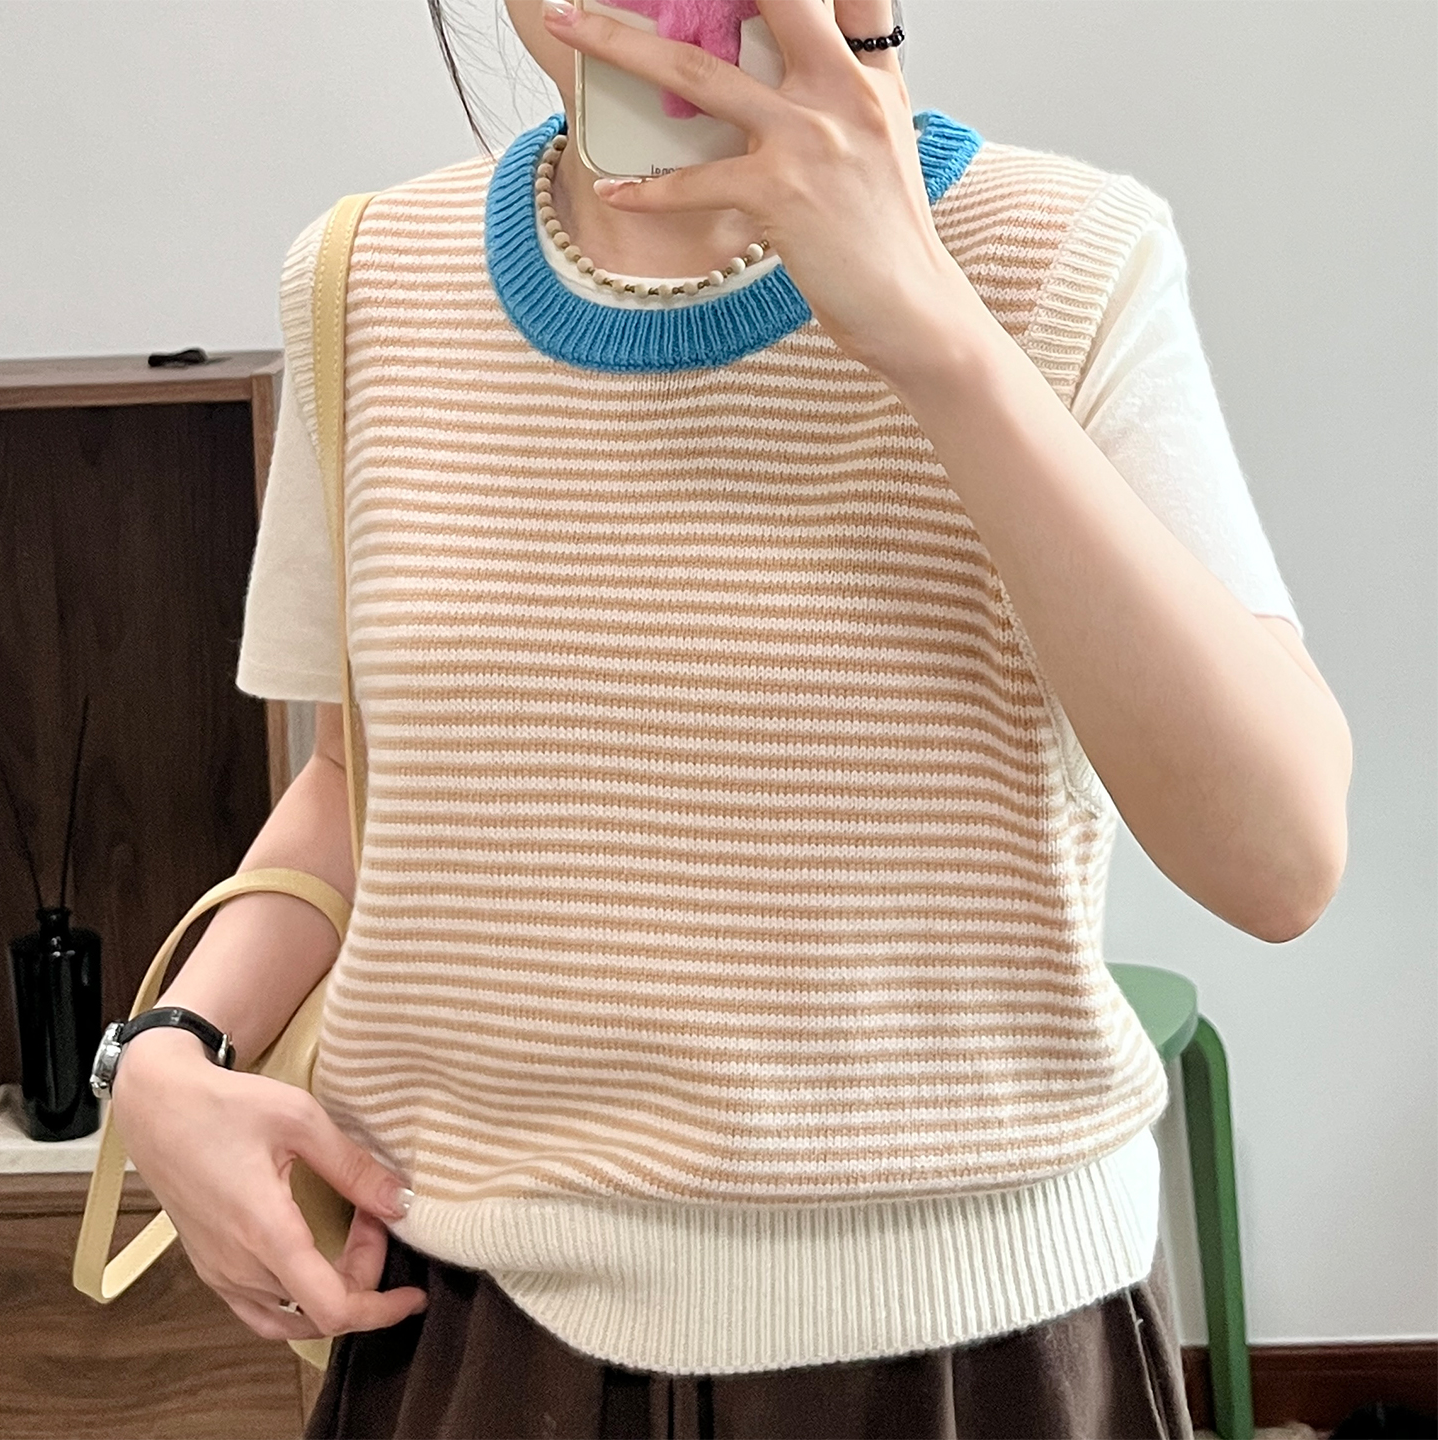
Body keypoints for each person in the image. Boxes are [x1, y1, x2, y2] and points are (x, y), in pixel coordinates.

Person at [109, 1, 1353, 1436]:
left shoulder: (1062, 255)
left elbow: (1278, 865)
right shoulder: (367, 278)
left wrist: (932, 329)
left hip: (964, 1351)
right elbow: (364, 777)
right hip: (469, 1346)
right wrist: (170, 1047)